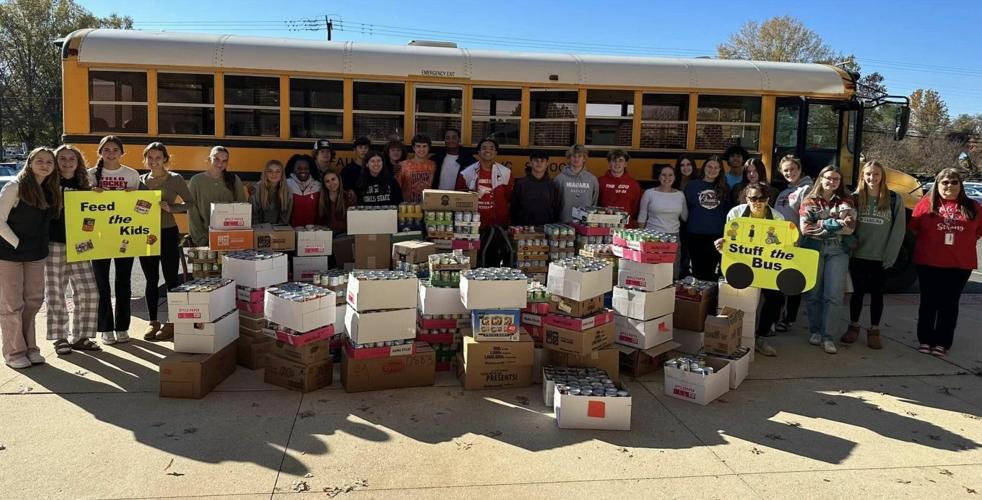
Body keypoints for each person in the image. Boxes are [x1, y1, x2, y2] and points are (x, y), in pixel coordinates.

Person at [909, 168, 982, 357]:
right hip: (928, 262)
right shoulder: (925, 204)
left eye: (954, 182)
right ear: (938, 184)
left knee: (949, 305)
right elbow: (914, 228)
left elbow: (978, 231)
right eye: (945, 182)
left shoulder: (973, 207)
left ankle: (942, 342)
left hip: (959, 265)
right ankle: (925, 340)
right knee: (928, 303)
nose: (949, 185)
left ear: (960, 185)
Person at [1, 147, 61, 368]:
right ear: (30, 162)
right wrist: (17, 243)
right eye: (40, 160)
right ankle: (14, 352)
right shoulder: (14, 187)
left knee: (33, 301)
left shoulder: (50, 190)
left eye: (49, 162)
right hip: (9, 254)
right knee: (12, 304)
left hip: (36, 254)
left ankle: (30, 348)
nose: (45, 165)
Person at [842, 160, 906, 349]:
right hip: (858, 255)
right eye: (868, 174)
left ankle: (874, 330)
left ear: (882, 176)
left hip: (881, 257)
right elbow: (845, 227)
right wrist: (849, 247)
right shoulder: (854, 198)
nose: (872, 177)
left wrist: (890, 256)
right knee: (857, 294)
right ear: (862, 176)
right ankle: (854, 326)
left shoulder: (893, 199)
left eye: (876, 174)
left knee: (877, 295)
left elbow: (899, 229)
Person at [714, 182, 782, 356]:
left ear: (768, 199)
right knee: (735, 299)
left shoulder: (778, 218)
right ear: (746, 198)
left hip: (766, 265)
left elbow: (781, 246)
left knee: (776, 297)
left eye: (762, 198)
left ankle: (761, 336)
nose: (757, 202)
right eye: (753, 198)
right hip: (742, 262)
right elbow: (730, 240)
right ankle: (733, 337)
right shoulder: (735, 213)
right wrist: (722, 244)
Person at [45, 145, 99, 354]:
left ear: (78, 163)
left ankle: (81, 336)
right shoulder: (47, 183)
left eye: (72, 159)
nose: (67, 162)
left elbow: (96, 213)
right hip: (53, 242)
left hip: (80, 243)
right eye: (62, 158)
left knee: (89, 291)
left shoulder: (85, 184)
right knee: (55, 291)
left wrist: (98, 196)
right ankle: (59, 337)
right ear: (56, 162)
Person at [88, 136, 141, 345]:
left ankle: (122, 327)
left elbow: (139, 207)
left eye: (115, 150)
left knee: (123, 283)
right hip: (97, 237)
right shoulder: (90, 174)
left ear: (122, 153)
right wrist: (91, 193)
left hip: (125, 235)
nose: (111, 153)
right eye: (106, 150)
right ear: (100, 152)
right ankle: (106, 328)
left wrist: (134, 195)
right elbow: (82, 205)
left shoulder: (132, 174)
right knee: (101, 284)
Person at [138, 142, 193, 341]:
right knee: (151, 280)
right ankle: (153, 321)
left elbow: (190, 203)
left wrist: (172, 208)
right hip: (145, 234)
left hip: (168, 232)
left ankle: (172, 322)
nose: (154, 161)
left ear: (165, 159)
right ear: (145, 159)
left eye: (158, 157)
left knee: (171, 279)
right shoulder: (140, 181)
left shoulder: (175, 179)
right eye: (150, 157)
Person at [799, 165, 856, 355]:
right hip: (814, 249)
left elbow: (850, 228)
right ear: (821, 178)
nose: (832, 182)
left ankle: (828, 336)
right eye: (828, 178)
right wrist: (836, 222)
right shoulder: (809, 200)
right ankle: (815, 331)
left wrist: (820, 223)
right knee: (813, 292)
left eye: (836, 179)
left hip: (838, 250)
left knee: (834, 295)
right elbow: (806, 229)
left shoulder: (847, 200)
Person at [773, 155, 813, 333]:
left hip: (797, 244)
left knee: (793, 283)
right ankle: (777, 316)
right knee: (779, 283)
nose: (789, 173)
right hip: (781, 245)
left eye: (792, 169)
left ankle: (788, 318)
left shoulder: (807, 189)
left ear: (800, 169)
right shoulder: (783, 192)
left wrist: (800, 241)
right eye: (786, 170)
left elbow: (807, 217)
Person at [188, 146, 248, 246]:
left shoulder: (234, 180)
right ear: (208, 159)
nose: (220, 163)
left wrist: (238, 235)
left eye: (224, 161)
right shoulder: (196, 181)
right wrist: (200, 238)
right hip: (205, 237)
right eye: (216, 159)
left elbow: (242, 207)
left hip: (231, 236)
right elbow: (192, 211)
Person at [638, 164, 688, 279]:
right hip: (652, 236)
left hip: (673, 237)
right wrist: (641, 237)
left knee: (672, 271)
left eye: (670, 175)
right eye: (664, 175)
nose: (667, 178)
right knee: (652, 271)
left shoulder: (680, 195)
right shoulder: (649, 193)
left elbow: (685, 216)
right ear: (659, 177)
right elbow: (642, 215)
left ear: (675, 177)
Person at [684, 155, 729, 280]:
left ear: (720, 170)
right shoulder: (692, 185)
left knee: (711, 272)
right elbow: (686, 208)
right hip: (695, 234)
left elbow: (727, 212)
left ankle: (710, 293)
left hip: (716, 235)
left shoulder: (725, 187)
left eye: (716, 168)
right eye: (709, 166)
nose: (712, 170)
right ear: (704, 167)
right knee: (697, 271)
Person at [456, 138, 512, 228]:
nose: (488, 151)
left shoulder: (506, 173)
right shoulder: (466, 173)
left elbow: (509, 197)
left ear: (496, 152)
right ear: (479, 152)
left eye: (491, 148)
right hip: (473, 223)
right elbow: (459, 198)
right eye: (484, 148)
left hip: (498, 223)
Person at [511, 151, 560, 225]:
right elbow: (514, 209)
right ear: (530, 163)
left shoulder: (552, 185)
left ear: (547, 164)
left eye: (542, 161)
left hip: (546, 228)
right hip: (525, 228)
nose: (539, 163)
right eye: (536, 160)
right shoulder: (520, 184)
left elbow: (556, 209)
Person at [555, 144, 599, 223]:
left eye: (580, 156)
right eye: (574, 156)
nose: (576, 159)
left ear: (584, 158)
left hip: (585, 224)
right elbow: (556, 203)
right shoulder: (560, 179)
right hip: (564, 223)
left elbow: (594, 202)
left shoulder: (592, 179)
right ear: (569, 158)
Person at [598, 149, 642, 226]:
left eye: (620, 160)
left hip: (626, 227)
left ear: (625, 164)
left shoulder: (633, 184)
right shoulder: (600, 181)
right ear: (609, 163)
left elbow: (636, 208)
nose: (617, 163)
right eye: (614, 160)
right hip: (604, 226)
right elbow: (596, 204)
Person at [674, 156, 698, 277]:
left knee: (690, 248)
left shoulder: (698, 182)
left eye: (688, 164)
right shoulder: (674, 182)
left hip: (693, 219)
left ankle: (687, 271)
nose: (686, 168)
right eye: (682, 165)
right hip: (677, 220)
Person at [395, 133, 436, 203]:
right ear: (413, 148)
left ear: (429, 148)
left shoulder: (433, 165)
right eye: (418, 146)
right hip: (408, 207)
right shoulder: (403, 165)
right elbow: (395, 188)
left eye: (424, 146)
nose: (421, 149)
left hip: (429, 205)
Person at [251, 159, 292, 224]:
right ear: (265, 173)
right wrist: (260, 228)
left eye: (278, 171)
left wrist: (278, 229)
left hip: (280, 228)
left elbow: (285, 217)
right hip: (259, 227)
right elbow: (254, 215)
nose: (274, 174)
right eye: (270, 171)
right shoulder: (257, 189)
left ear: (282, 174)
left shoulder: (287, 191)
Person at [286, 154, 321, 227]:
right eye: (299, 168)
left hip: (313, 230)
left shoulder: (318, 186)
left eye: (306, 168)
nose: (303, 171)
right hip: (290, 230)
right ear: (293, 169)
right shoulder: (286, 184)